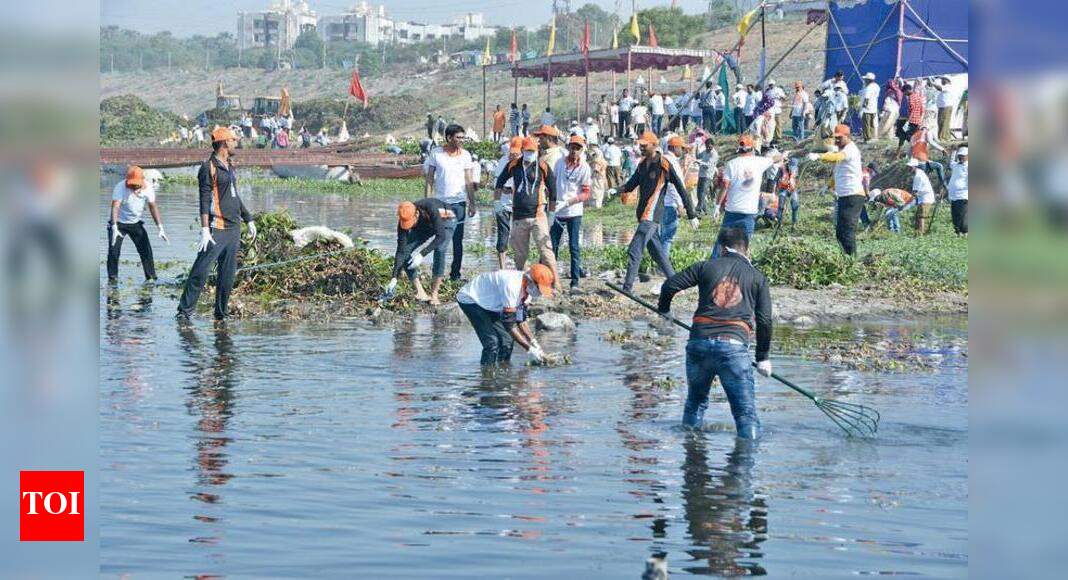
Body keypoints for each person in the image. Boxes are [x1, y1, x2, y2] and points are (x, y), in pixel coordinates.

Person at [657, 226, 772, 438]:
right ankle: (744, 466)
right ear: (746, 250)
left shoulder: (705, 267)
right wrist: (763, 358)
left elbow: (669, 286)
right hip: (734, 349)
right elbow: (764, 320)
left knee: (695, 403)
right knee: (745, 415)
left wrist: (664, 311)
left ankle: (692, 457)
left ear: (720, 248)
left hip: (699, 344)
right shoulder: (757, 277)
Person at [177, 127, 257, 321]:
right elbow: (204, 199)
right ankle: (184, 312)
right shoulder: (208, 168)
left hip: (233, 229)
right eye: (233, 140)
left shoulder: (229, 165)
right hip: (216, 228)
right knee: (201, 271)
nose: (235, 143)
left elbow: (234, 195)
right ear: (223, 143)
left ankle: (221, 314)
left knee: (227, 275)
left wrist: (248, 218)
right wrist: (205, 230)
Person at [618, 131, 699, 292]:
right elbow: (631, 184)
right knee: (657, 253)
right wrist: (616, 190)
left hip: (652, 214)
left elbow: (681, 188)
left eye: (644, 145)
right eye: (640, 145)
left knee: (635, 249)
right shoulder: (642, 164)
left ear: (654, 146)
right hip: (642, 215)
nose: (640, 148)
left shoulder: (663, 163)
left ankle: (627, 288)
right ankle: (678, 284)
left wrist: (691, 214)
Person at [457, 264, 558, 366]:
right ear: (530, 281)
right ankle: (487, 376)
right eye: (539, 289)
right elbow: (509, 325)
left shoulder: (527, 291)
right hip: (471, 299)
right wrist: (531, 350)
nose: (540, 293)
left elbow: (521, 321)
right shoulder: (512, 285)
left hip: (491, 303)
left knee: (507, 340)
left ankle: (504, 371)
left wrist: (535, 344)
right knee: (492, 343)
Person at [495, 137, 561, 290]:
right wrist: (496, 202)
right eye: (527, 151)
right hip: (518, 216)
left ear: (537, 151)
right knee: (520, 254)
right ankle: (523, 283)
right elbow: (499, 182)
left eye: (533, 151)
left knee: (546, 250)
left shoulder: (542, 166)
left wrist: (551, 213)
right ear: (522, 151)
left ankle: (556, 282)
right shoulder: (514, 165)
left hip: (538, 214)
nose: (530, 153)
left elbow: (553, 191)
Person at [425, 123, 477, 298]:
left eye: (463, 137)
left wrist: (472, 203)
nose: (461, 140)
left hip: (459, 204)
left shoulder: (466, 155)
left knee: (458, 240)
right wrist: (427, 203)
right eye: (458, 137)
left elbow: (469, 180)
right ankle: (437, 276)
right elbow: (430, 179)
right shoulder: (436, 154)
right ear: (449, 138)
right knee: (442, 240)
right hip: (442, 204)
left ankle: (455, 274)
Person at [807, 124, 865, 255]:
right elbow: (838, 172)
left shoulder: (851, 149)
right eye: (835, 138)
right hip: (843, 196)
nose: (837, 141)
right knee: (839, 232)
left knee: (847, 231)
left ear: (848, 136)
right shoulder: (842, 150)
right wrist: (828, 186)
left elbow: (836, 158)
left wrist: (819, 156)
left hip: (853, 195)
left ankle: (851, 260)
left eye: (840, 138)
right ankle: (844, 257)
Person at [711, 135, 774, 256]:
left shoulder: (731, 164)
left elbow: (725, 186)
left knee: (721, 242)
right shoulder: (759, 162)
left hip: (732, 210)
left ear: (739, 149)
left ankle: (714, 263)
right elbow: (775, 158)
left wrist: (717, 206)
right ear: (753, 149)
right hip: (749, 212)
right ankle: (740, 267)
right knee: (744, 244)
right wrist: (785, 154)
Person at [387, 199, 456, 302]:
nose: (409, 226)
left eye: (410, 223)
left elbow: (440, 236)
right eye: (406, 223)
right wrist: (394, 278)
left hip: (446, 220)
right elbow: (401, 250)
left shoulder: (430, 207)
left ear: (416, 214)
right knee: (406, 251)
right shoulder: (404, 217)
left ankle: (434, 294)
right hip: (425, 225)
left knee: (439, 250)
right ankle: (421, 292)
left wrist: (421, 254)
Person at [107, 166, 167, 283]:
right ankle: (112, 279)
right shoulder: (120, 187)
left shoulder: (148, 188)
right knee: (114, 251)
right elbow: (115, 207)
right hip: (118, 223)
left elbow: (153, 207)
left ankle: (151, 278)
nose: (134, 187)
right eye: (132, 184)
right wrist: (114, 227)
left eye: (137, 185)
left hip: (135, 223)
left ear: (142, 181)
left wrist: (160, 227)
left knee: (146, 250)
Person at [551, 135, 592, 290]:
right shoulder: (559, 163)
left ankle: (575, 281)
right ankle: (552, 279)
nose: (574, 151)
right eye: (572, 147)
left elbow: (586, 193)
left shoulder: (585, 167)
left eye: (578, 148)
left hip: (574, 211)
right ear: (568, 147)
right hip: (558, 211)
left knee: (574, 246)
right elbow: (553, 183)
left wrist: (569, 201)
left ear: (581, 150)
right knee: (553, 246)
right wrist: (552, 203)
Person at [493, 138, 522, 269]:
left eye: (516, 154)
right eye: (511, 153)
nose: (512, 156)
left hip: (520, 206)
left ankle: (520, 266)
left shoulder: (526, 163)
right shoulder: (503, 161)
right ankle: (502, 267)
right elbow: (496, 182)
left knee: (519, 236)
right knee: (503, 234)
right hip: (504, 204)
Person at [660, 136, 691, 258]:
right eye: (681, 148)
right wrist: (679, 204)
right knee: (667, 238)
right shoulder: (670, 161)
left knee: (662, 236)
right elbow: (672, 185)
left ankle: (659, 264)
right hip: (670, 204)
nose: (683, 151)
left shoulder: (664, 159)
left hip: (664, 202)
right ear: (674, 147)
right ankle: (663, 267)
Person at [907, 157, 937, 235]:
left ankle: (921, 234)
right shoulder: (920, 172)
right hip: (923, 198)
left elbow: (914, 192)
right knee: (918, 217)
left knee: (921, 217)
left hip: (926, 198)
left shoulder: (918, 176)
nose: (909, 168)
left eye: (910, 167)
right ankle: (918, 233)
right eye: (908, 167)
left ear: (914, 167)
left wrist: (906, 203)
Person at [695, 138, 719, 216]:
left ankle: (698, 211)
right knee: (699, 193)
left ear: (712, 145)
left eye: (709, 146)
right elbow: (698, 156)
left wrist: (700, 163)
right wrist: (697, 147)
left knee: (702, 193)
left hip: (708, 176)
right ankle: (705, 211)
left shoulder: (714, 154)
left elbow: (708, 165)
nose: (708, 148)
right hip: (701, 175)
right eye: (706, 146)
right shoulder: (705, 151)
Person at [948, 146, 968, 236]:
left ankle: (965, 233)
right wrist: (954, 151)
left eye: (963, 156)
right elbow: (951, 162)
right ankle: (957, 233)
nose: (961, 157)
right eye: (960, 156)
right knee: (955, 215)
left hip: (963, 195)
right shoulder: (955, 165)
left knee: (962, 216)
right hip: (953, 195)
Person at [776, 157, 800, 225]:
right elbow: (776, 179)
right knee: (781, 206)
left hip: (792, 189)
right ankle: (779, 223)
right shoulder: (781, 169)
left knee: (795, 206)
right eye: (791, 166)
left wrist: (795, 186)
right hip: (783, 189)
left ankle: (794, 222)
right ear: (788, 164)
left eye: (794, 167)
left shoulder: (796, 169)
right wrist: (775, 190)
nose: (792, 169)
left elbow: (797, 178)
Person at [861, 72, 880, 142]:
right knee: (872, 123)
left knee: (866, 124)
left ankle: (867, 138)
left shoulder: (868, 87)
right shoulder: (877, 86)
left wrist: (863, 106)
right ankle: (871, 137)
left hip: (867, 109)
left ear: (868, 80)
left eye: (866, 79)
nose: (865, 81)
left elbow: (867, 98)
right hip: (874, 107)